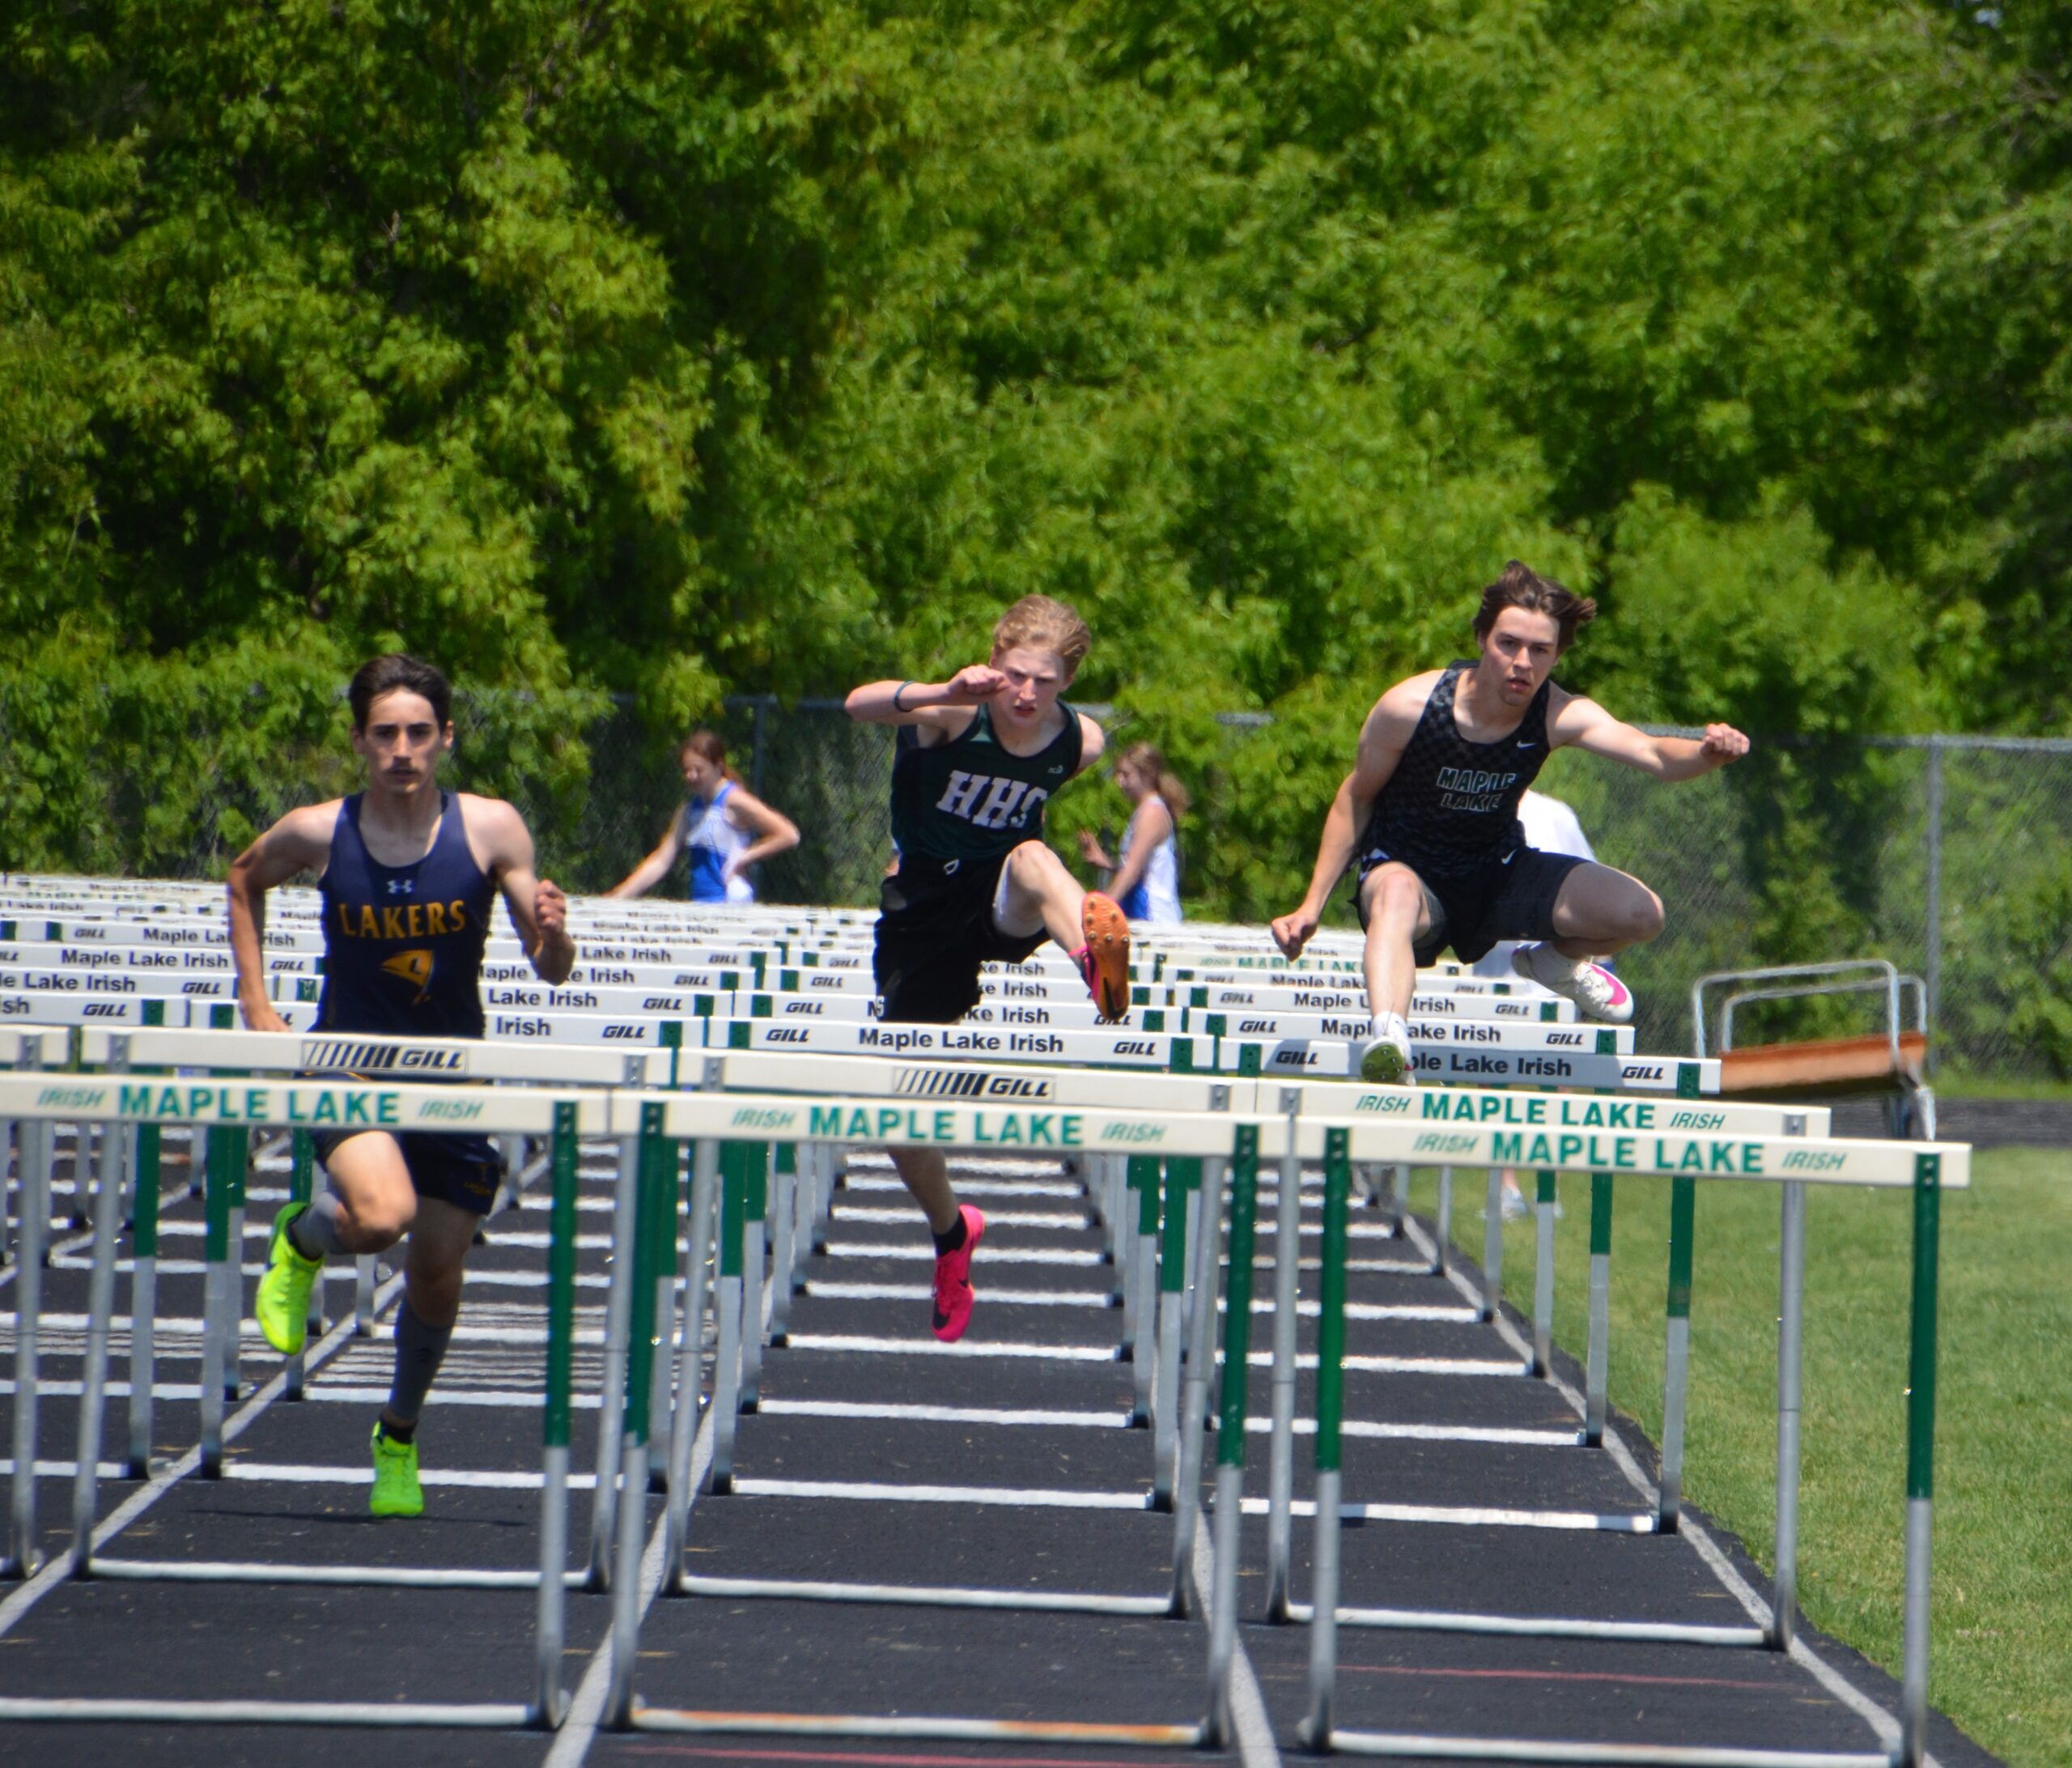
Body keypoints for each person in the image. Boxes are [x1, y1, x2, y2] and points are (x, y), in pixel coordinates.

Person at [228, 654, 576, 1517]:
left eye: (419, 733)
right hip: (347, 1063)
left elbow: (552, 968)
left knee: (434, 1275)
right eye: (384, 733)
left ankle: (397, 1435)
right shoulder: (319, 830)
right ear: (358, 741)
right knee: (380, 1217)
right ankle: (305, 1240)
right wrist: (257, 1000)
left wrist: (555, 935)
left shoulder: (492, 828)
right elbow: (243, 878)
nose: (402, 750)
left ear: (445, 737)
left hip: (453, 1075)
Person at [1270, 560, 1750, 1085]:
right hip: (1408, 869)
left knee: (1642, 913)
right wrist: (1312, 902)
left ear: (1558, 654)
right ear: (1481, 638)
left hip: (1494, 872)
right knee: (1397, 894)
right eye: (1508, 644)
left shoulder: (1556, 713)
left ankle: (1555, 964)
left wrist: (1708, 754)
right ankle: (1390, 1043)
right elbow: (1355, 796)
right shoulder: (1410, 707)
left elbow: (1655, 754)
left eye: (1540, 651)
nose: (1522, 663)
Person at [845, 593, 1132, 1342]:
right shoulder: (954, 715)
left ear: (1066, 681)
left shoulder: (1081, 741)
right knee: (900, 1117)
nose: (1025, 695)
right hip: (921, 909)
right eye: (1013, 676)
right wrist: (941, 689)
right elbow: (858, 704)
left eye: (1043, 681)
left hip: (999, 893)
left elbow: (1036, 815)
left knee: (1036, 858)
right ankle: (950, 1232)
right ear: (994, 665)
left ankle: (1092, 959)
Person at [606, 729, 800, 903]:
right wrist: (620, 894)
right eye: (686, 771)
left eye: (698, 770)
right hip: (701, 905)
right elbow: (662, 860)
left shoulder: (734, 801)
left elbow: (789, 835)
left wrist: (745, 856)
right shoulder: (689, 810)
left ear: (718, 766)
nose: (691, 776)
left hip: (730, 903)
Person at [1077, 742, 1186, 925]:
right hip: (1138, 911)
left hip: (1153, 917)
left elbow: (1132, 871)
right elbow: (1142, 869)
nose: (1120, 782)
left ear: (1149, 774)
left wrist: (1101, 912)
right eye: (1118, 774)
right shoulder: (1144, 811)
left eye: (1126, 775)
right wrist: (1107, 863)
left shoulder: (1152, 813)